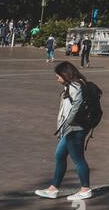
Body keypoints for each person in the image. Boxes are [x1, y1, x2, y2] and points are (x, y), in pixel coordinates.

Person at [34, 61, 94, 200]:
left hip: (75, 129)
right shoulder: (73, 85)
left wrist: (69, 121)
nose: (57, 78)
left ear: (65, 74)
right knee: (60, 155)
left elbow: (77, 104)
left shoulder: (75, 85)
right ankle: (53, 188)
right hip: (70, 129)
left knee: (78, 159)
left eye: (58, 75)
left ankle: (85, 189)